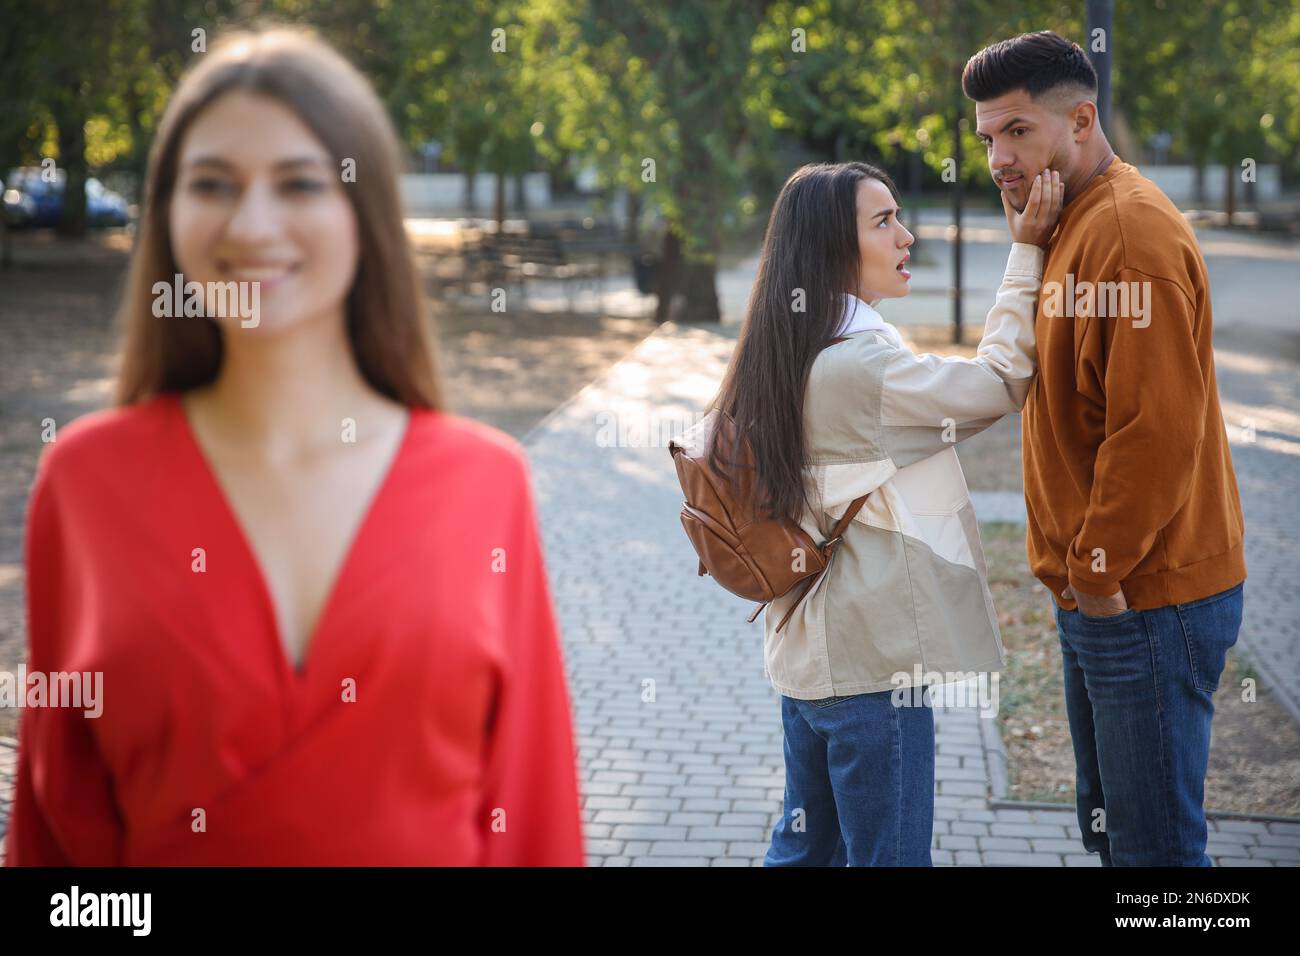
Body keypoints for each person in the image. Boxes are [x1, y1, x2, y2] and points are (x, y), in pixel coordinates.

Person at [5, 26, 585, 866]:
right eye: (212, 183)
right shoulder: (85, 480)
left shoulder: (484, 482)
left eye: (300, 182)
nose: (253, 221)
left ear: (364, 210)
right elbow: (55, 825)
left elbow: (532, 814)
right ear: (167, 212)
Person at [673, 160, 1062, 865]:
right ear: (831, 247)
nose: (906, 236)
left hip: (807, 662)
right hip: (871, 672)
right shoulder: (856, 368)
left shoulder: (786, 347)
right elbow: (1000, 383)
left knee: (801, 854)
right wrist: (1027, 251)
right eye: (883, 222)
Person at [963, 31, 1247, 866]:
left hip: (1144, 595)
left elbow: (1152, 437)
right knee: (1115, 834)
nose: (998, 158)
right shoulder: (1072, 221)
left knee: (1155, 854)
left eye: (1017, 131)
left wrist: (1095, 576)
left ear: (1081, 118)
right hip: (1104, 591)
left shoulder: (1126, 232)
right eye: (986, 138)